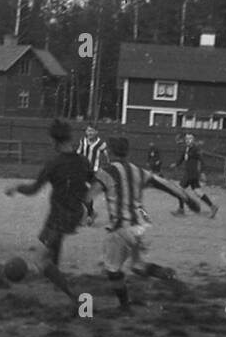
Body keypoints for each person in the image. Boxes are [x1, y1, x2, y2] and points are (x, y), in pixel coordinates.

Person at [89, 137, 181, 314]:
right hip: (138, 226)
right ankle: (165, 274)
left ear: (110, 152)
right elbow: (162, 184)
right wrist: (184, 197)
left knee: (113, 270)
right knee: (137, 266)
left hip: (120, 227)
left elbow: (92, 192)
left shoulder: (108, 172)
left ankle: (125, 306)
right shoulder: (136, 171)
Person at [4, 119, 92, 301]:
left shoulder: (54, 164)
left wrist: (16, 187)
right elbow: (93, 184)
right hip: (75, 214)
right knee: (53, 245)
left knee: (40, 259)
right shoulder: (83, 161)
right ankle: (55, 276)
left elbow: (33, 189)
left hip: (59, 217)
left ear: (53, 140)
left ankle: (75, 297)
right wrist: (88, 209)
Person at [171, 132, 218, 219]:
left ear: (193, 140)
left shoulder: (195, 149)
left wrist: (203, 172)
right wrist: (176, 164)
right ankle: (212, 206)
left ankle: (181, 209)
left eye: (190, 138)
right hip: (192, 174)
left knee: (179, 190)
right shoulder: (187, 148)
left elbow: (202, 161)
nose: (188, 140)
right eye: (187, 138)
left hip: (191, 174)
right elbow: (182, 158)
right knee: (198, 192)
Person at [76, 124, 109, 225]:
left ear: (96, 132)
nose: (89, 133)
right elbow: (78, 153)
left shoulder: (101, 144)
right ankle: (89, 213)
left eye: (92, 131)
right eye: (88, 131)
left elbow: (107, 156)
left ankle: (89, 214)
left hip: (94, 172)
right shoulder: (83, 141)